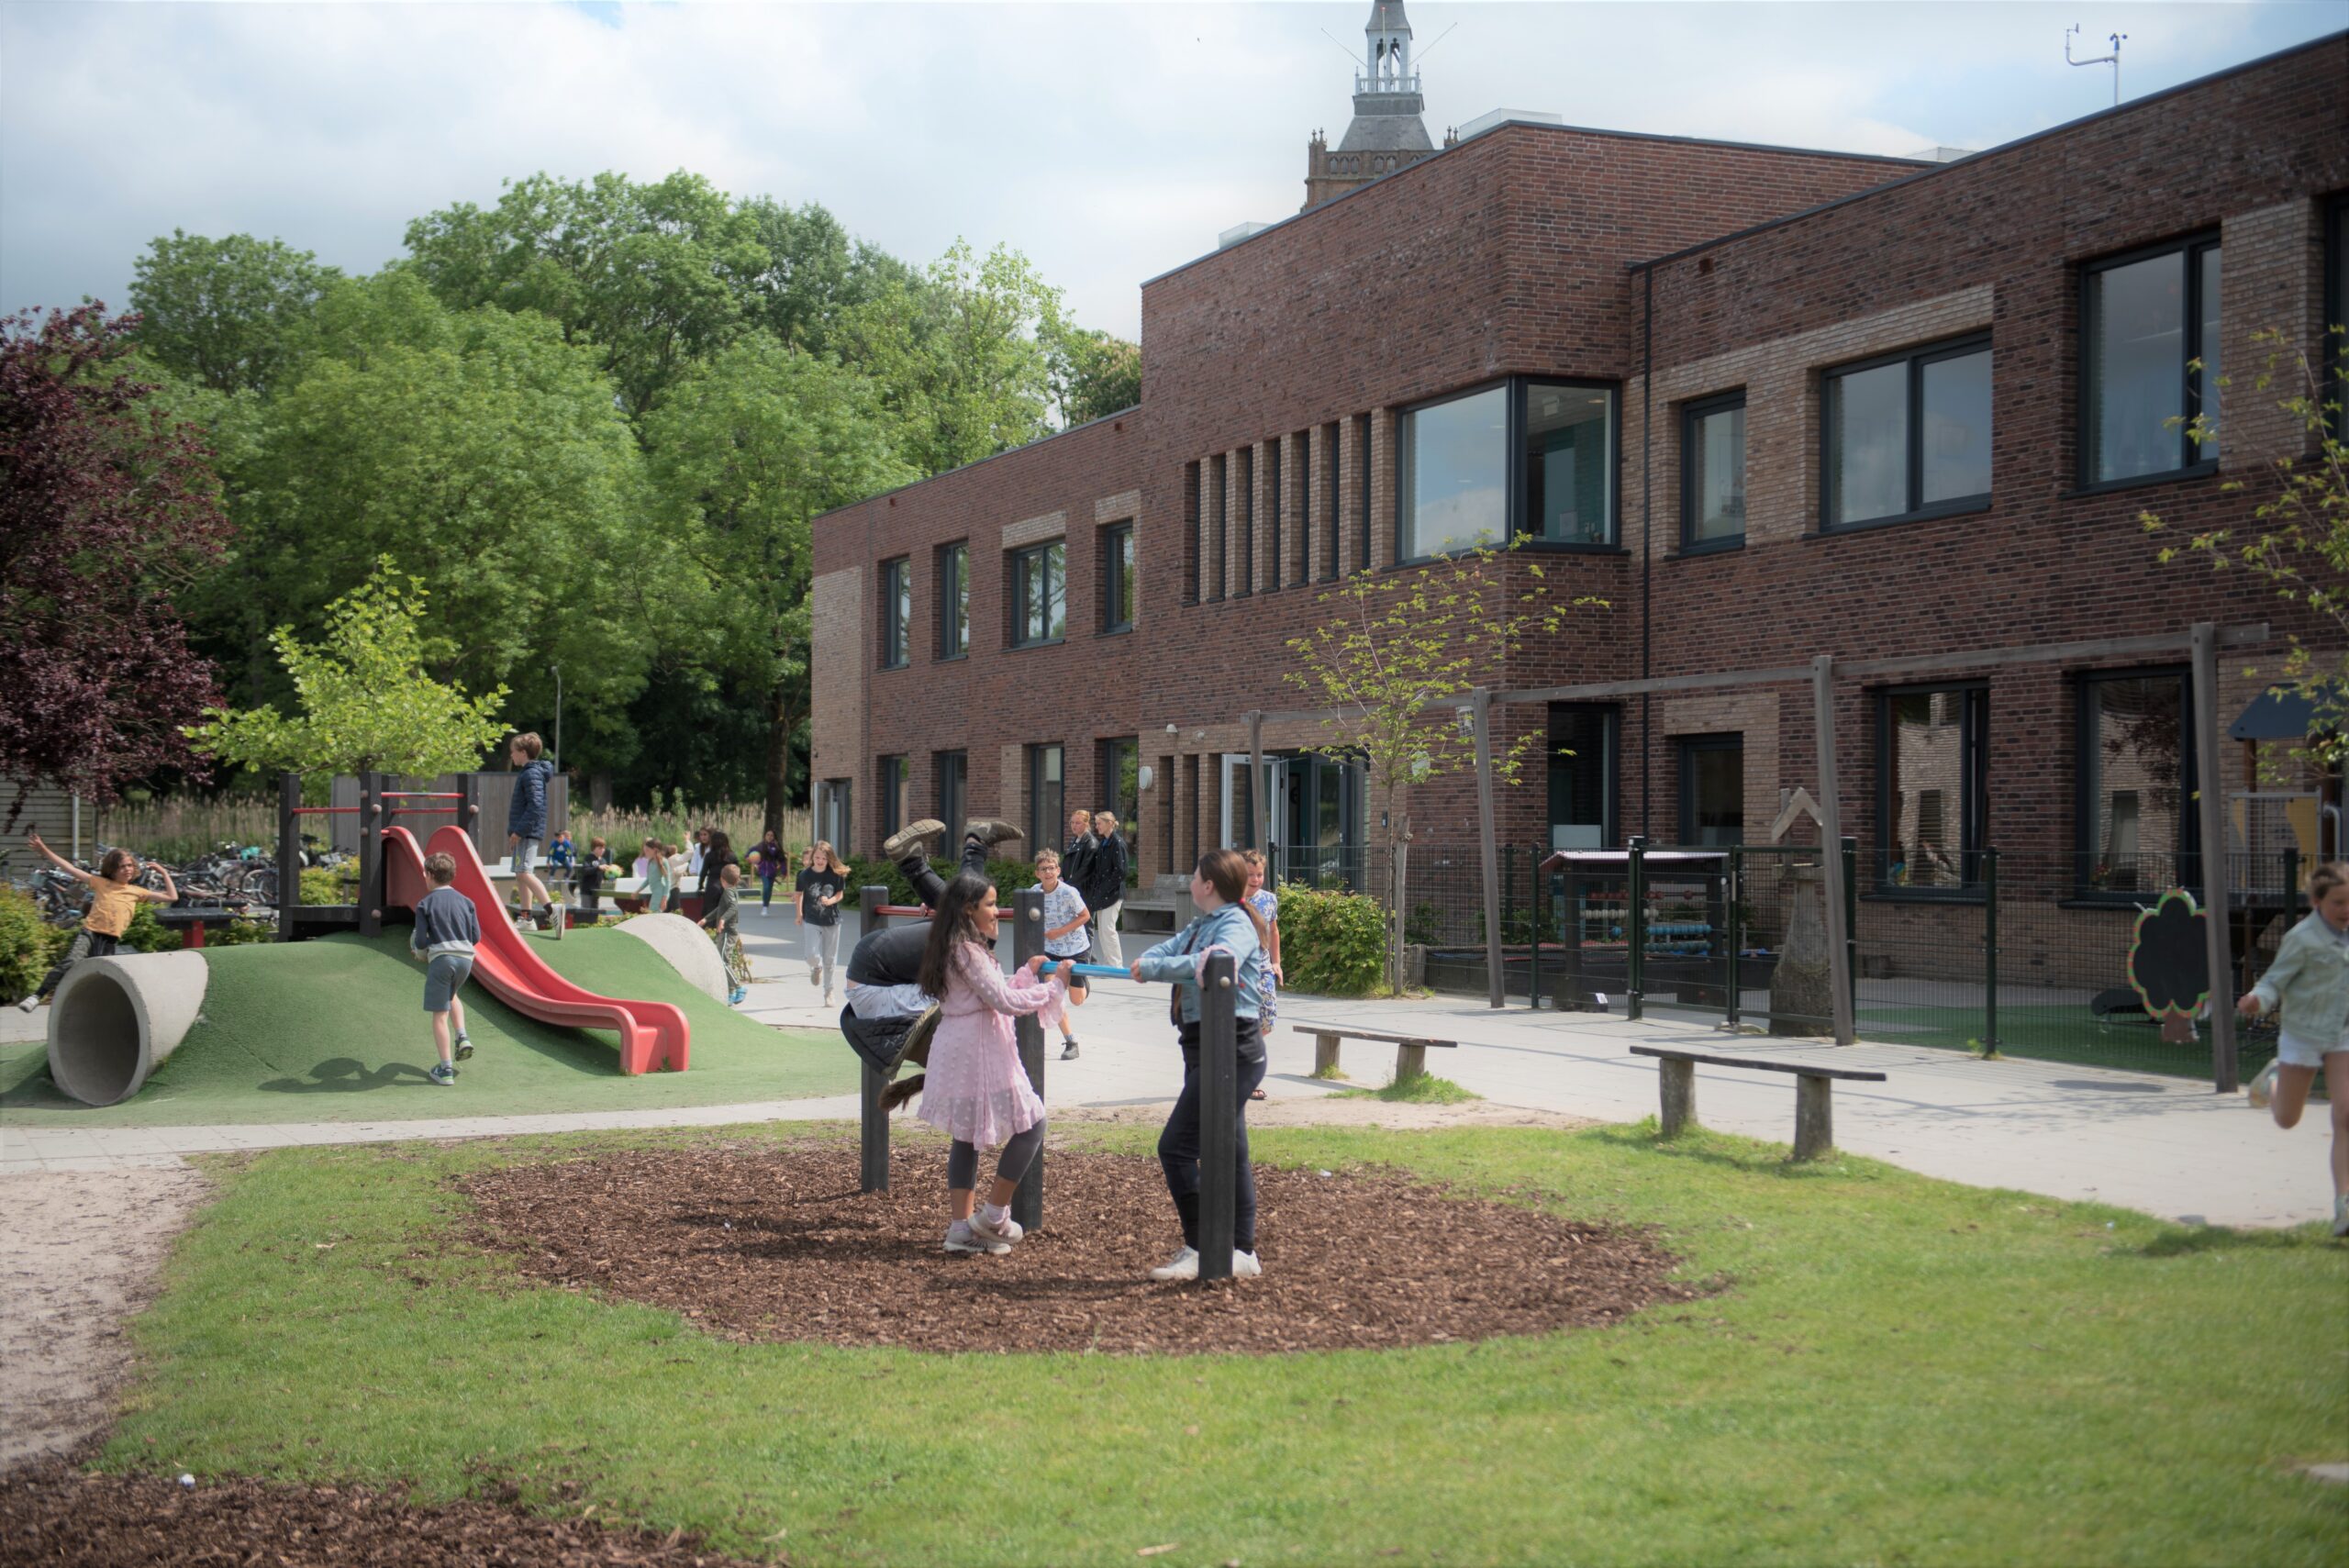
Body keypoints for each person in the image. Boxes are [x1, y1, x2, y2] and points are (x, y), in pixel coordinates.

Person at [1130, 849, 1271, 1282]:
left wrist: (1154, 969)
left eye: (1194, 876)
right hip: (1201, 1044)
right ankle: (1241, 1251)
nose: (1190, 881)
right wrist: (1149, 962)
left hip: (1232, 1048)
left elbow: (1214, 963)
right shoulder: (1202, 923)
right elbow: (1170, 948)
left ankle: (1204, 1245)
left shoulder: (1235, 924)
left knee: (1176, 1147)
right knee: (1231, 1150)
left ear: (1208, 885)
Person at [914, 867, 1070, 1255]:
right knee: (1033, 1123)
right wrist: (1055, 987)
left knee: (966, 1137)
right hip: (979, 1049)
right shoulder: (967, 951)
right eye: (990, 904)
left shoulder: (954, 946)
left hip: (961, 1044)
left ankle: (961, 1229)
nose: (997, 911)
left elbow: (991, 993)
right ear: (968, 909)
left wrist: (1026, 974)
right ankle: (994, 1216)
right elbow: (1003, 1001)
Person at [840, 818, 1022, 1083]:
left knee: (972, 924)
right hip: (877, 970)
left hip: (877, 972)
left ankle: (920, 859)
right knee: (968, 920)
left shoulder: (949, 1029)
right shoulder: (951, 1026)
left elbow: (982, 980)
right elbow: (989, 986)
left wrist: (989, 943)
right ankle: (964, 846)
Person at [2239, 861, 2349, 1238]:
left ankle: (2344, 1205)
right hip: (2303, 1034)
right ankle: (2273, 1080)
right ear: (2317, 902)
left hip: (2343, 1034)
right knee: (2287, 1119)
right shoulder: (2301, 939)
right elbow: (2274, 981)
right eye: (2338, 902)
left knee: (2346, 1114)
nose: (2346, 910)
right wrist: (2257, 999)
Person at [17, 835, 176, 1010]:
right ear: (112, 870)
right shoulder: (101, 883)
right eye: (122, 866)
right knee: (71, 961)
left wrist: (164, 873)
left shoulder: (136, 891)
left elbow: (172, 896)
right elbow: (69, 868)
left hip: (110, 940)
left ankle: (96, 1009)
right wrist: (44, 850)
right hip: (90, 933)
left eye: (130, 865)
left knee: (102, 977)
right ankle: (37, 996)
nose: (127, 869)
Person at [411, 851, 481, 1086]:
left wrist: (420, 952)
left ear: (430, 875)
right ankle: (462, 1036)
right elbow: (476, 936)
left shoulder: (425, 904)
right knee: (452, 995)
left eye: (425, 874)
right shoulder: (467, 901)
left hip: (443, 960)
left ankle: (446, 1069)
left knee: (439, 1016)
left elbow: (420, 941)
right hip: (466, 960)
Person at [1030, 848, 1091, 1060]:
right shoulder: (1033, 892)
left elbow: (1085, 916)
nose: (1048, 872)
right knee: (1053, 995)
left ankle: (1082, 983)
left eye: (1052, 868)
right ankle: (1071, 1041)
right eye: (1043, 869)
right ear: (1037, 873)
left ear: (1058, 870)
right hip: (1050, 951)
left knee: (1077, 1000)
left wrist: (1060, 932)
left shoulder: (1069, 892)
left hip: (1076, 948)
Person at [504, 732, 557, 931]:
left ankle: (552, 910)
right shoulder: (529, 773)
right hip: (523, 832)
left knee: (524, 873)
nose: (511, 755)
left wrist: (518, 831)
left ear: (523, 753)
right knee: (521, 874)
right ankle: (526, 919)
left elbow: (535, 807)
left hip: (526, 832)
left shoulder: (531, 774)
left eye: (513, 752)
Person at [1241, 850, 1283, 1100]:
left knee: (1267, 1019)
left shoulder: (1269, 900)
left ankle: (1244, 1052)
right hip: (1238, 970)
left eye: (1259, 874)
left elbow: (1274, 931)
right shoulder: (1229, 900)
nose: (1255, 879)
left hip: (1264, 968)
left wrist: (1276, 962)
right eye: (1250, 875)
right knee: (1242, 1022)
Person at [796, 840, 848, 1004]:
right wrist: (799, 914)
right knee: (811, 955)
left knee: (830, 960)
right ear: (813, 857)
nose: (820, 861)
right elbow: (799, 894)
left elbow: (840, 894)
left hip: (832, 920)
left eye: (824, 858)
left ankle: (829, 992)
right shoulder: (804, 875)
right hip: (811, 919)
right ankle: (816, 967)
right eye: (817, 857)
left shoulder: (835, 875)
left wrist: (831, 900)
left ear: (829, 859)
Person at [1082, 810, 1130, 965]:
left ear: (1109, 823)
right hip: (1103, 893)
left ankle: (1116, 965)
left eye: (1099, 823)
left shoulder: (1117, 843)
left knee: (1108, 929)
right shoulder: (1104, 843)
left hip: (1113, 893)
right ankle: (1110, 964)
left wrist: (1105, 888)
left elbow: (1121, 871)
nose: (1097, 827)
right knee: (1103, 931)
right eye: (1096, 823)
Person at [702, 862, 752, 1006]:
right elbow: (720, 909)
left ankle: (739, 987)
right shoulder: (732, 891)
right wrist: (706, 919)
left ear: (722, 879)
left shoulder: (728, 892)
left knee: (723, 961)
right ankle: (731, 993)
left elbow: (732, 907)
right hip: (727, 932)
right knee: (726, 962)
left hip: (727, 933)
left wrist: (723, 920)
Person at [573, 836, 614, 922]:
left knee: (595, 912)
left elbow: (605, 876)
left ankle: (594, 924)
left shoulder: (603, 860)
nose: (602, 850)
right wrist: (598, 868)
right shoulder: (589, 858)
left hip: (597, 890)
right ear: (593, 848)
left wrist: (612, 873)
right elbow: (586, 870)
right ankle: (584, 926)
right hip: (587, 890)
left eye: (603, 848)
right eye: (600, 848)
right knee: (586, 911)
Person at [751, 829, 785, 916]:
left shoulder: (777, 847)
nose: (769, 837)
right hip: (763, 870)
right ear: (765, 836)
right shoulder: (760, 845)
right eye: (768, 835)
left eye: (771, 835)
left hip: (772, 870)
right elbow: (752, 854)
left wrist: (784, 871)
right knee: (766, 887)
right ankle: (764, 906)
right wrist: (755, 864)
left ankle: (766, 906)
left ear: (774, 837)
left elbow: (782, 859)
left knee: (769, 889)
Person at [640, 838, 672, 918]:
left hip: (660, 893)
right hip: (655, 893)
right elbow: (648, 879)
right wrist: (637, 891)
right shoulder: (651, 862)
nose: (645, 853)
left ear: (654, 850)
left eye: (647, 850)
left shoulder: (664, 861)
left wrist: (664, 899)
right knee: (652, 915)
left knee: (653, 915)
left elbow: (668, 881)